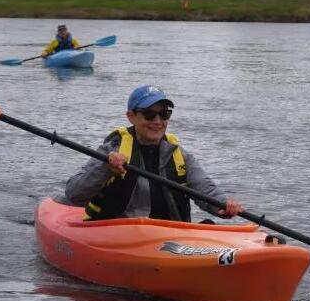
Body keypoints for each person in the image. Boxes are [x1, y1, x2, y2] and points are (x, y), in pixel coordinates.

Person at [65, 85, 243, 222]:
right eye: (149, 114)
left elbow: (205, 188)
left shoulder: (180, 155)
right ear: (131, 116)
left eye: (164, 114)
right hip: (116, 233)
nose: (158, 121)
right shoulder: (112, 151)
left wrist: (223, 204)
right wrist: (106, 168)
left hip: (167, 236)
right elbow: (74, 194)